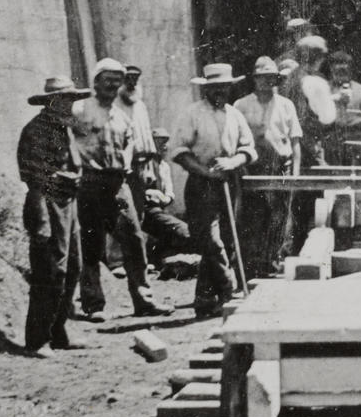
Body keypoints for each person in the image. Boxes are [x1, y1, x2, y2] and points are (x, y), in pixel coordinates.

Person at [69, 59, 162, 319]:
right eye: (107, 79)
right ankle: (94, 305)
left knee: (133, 239)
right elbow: (64, 138)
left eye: (116, 80)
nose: (112, 84)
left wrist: (126, 166)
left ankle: (144, 301)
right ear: (96, 81)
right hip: (88, 183)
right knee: (91, 244)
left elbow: (129, 145)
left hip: (117, 184)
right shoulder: (80, 109)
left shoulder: (121, 115)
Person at [165, 62, 257, 317]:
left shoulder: (235, 115)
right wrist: (206, 171)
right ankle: (230, 290)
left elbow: (249, 149)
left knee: (226, 241)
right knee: (211, 241)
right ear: (207, 88)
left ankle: (205, 301)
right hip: (201, 184)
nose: (220, 91)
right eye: (215, 87)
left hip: (230, 181)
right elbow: (178, 152)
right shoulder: (192, 114)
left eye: (224, 87)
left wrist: (232, 162)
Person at [16, 75, 88, 351]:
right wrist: (42, 219)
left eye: (71, 100)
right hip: (46, 203)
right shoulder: (35, 131)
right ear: (50, 103)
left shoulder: (65, 128)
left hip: (68, 203)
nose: (69, 105)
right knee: (50, 271)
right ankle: (38, 339)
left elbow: (73, 165)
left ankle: (59, 332)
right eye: (63, 100)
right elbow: (33, 178)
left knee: (72, 268)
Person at [119, 65, 193, 268]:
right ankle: (119, 261)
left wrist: (149, 172)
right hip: (124, 168)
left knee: (140, 218)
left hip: (142, 168)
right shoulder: (116, 106)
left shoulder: (140, 106)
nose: (132, 83)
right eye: (128, 79)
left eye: (135, 78)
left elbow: (146, 143)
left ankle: (141, 261)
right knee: (123, 214)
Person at [236, 57, 302, 280]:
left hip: (280, 168)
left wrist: (295, 176)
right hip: (253, 169)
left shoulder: (286, 105)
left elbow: (294, 142)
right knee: (253, 219)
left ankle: (271, 265)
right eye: (263, 78)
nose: (267, 82)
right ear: (255, 80)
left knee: (278, 219)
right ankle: (248, 270)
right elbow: (236, 141)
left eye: (271, 78)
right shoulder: (241, 105)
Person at [282, 33, 339, 170]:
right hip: (310, 149)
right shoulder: (315, 82)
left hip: (287, 146)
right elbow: (327, 118)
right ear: (319, 58)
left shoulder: (290, 79)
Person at [324, 50, 361, 166]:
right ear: (331, 68)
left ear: (351, 69)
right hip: (331, 146)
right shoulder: (324, 89)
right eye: (337, 66)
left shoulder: (360, 90)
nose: (341, 69)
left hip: (354, 145)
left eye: (345, 67)